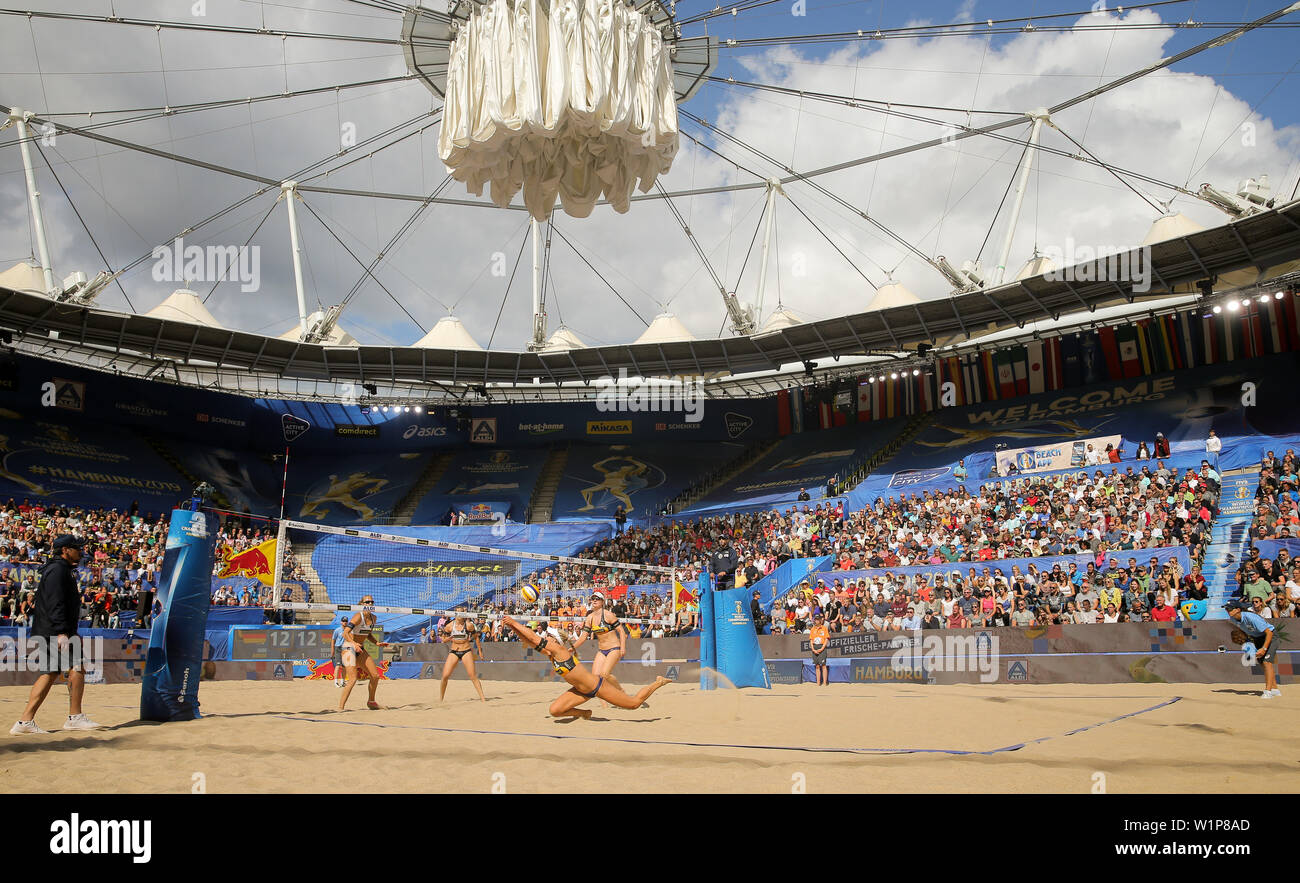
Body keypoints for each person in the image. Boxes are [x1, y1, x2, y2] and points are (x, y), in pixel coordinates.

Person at [11, 535, 101, 735]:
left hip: (51, 629)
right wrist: (62, 632)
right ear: (65, 550)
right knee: (77, 666)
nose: (81, 551)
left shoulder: (59, 569)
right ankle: (75, 717)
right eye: (76, 548)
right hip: (56, 630)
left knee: (49, 673)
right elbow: (55, 602)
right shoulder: (58, 570)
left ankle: (25, 721)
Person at [499, 616, 671, 719]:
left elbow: (535, 639)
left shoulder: (559, 650)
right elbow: (529, 641)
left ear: (555, 641)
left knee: (634, 704)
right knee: (555, 711)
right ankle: (584, 713)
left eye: (549, 637)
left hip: (597, 687)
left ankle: (658, 682)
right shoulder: (551, 654)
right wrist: (512, 627)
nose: (546, 638)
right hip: (581, 691)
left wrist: (514, 621)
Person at [569, 592, 625, 703]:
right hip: (602, 650)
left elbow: (622, 632)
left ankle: (621, 691)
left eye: (597, 599)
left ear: (602, 602)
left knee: (604, 675)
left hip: (614, 648)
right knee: (595, 678)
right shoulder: (590, 617)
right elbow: (583, 637)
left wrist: (623, 647)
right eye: (592, 598)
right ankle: (604, 705)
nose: (594, 600)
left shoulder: (608, 614)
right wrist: (572, 647)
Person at [1224, 599, 1279, 698]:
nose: (1227, 611)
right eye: (1226, 609)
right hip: (1257, 638)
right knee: (1262, 663)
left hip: (1270, 636)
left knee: (1267, 662)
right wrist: (1249, 642)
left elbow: (1269, 632)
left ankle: (1268, 692)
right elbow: (1244, 629)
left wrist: (1264, 648)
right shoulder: (1233, 619)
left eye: (1229, 609)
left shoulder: (1251, 617)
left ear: (1238, 609)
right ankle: (1275, 689)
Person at [338, 595, 384, 711]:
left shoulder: (374, 618)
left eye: (372, 602)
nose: (370, 604)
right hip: (349, 648)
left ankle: (371, 701)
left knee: (375, 676)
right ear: (362, 604)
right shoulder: (358, 616)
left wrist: (376, 643)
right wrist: (354, 643)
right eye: (367, 602)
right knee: (353, 679)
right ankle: (340, 708)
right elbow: (345, 633)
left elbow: (367, 634)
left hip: (360, 649)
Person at [439, 612, 486, 702]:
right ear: (456, 615)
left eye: (463, 614)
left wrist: (480, 651)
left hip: (466, 650)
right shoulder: (449, 626)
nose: (461, 616)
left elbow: (476, 637)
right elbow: (443, 640)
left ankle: (483, 699)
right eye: (459, 614)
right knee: (445, 676)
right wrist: (449, 639)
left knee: (473, 676)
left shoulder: (469, 625)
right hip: (454, 651)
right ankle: (441, 699)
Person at [809, 613, 830, 687]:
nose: (817, 621)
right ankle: (818, 683)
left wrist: (822, 648)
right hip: (815, 647)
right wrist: (813, 649)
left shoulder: (824, 628)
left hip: (822, 647)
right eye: (816, 619)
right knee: (817, 666)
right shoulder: (812, 629)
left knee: (823, 665)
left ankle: (824, 683)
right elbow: (811, 640)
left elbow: (826, 639)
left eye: (818, 619)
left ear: (820, 620)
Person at [330, 615, 349, 688]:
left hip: (345, 648)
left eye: (346, 621)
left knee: (344, 666)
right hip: (338, 648)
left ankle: (343, 681)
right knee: (338, 665)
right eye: (343, 621)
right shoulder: (337, 630)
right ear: (341, 622)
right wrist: (332, 650)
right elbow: (333, 640)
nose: (345, 622)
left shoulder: (349, 630)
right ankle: (336, 682)